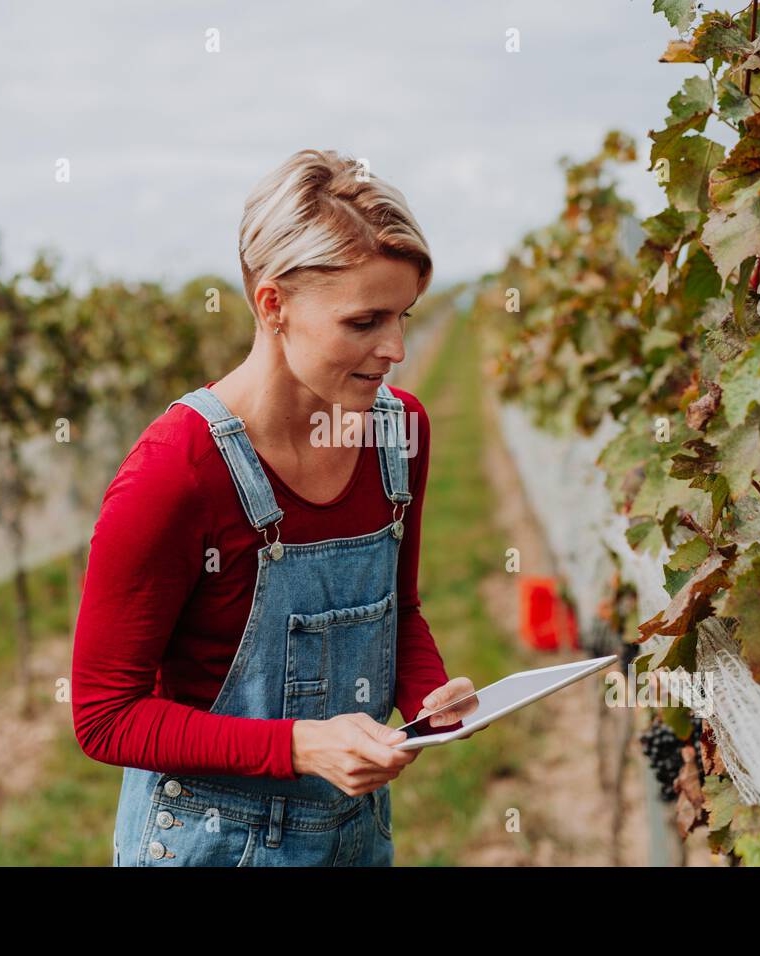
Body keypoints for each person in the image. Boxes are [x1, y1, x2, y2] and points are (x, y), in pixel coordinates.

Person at [72, 148, 475, 866]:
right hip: (205, 845)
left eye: (404, 316)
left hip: (353, 837)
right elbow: (105, 717)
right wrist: (299, 746)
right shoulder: (176, 471)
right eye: (365, 322)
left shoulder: (398, 433)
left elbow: (398, 610)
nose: (397, 349)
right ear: (273, 304)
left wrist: (426, 694)